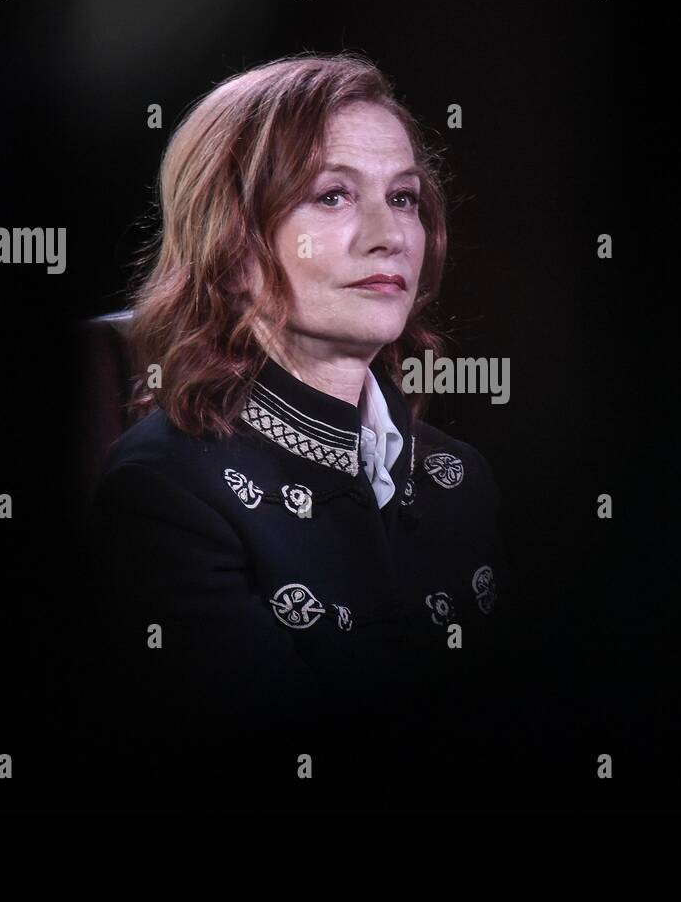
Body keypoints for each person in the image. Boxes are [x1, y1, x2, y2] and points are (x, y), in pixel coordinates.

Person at [76, 53, 510, 801]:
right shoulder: (164, 490)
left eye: (403, 199)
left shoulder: (462, 477)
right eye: (334, 195)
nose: (389, 236)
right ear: (235, 244)